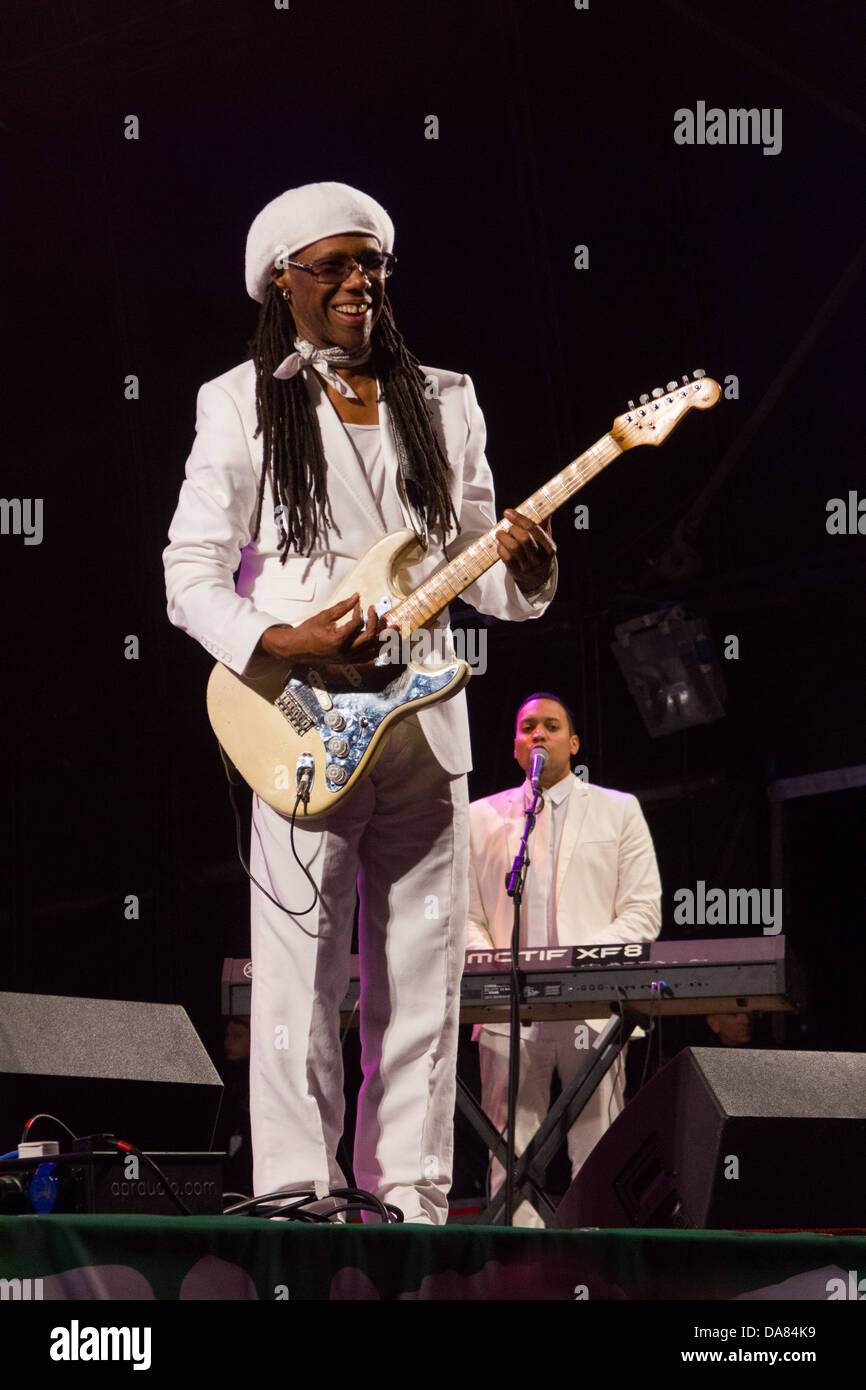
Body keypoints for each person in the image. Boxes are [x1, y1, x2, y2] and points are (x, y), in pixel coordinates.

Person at [163, 182, 557, 1223]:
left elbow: (484, 573)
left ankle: (413, 1199)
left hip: (425, 723)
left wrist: (525, 568)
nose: (356, 282)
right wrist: (278, 638)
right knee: (298, 971)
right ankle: (299, 1190)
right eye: (332, 265)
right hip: (298, 716)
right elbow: (189, 574)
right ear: (280, 281)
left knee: (424, 976)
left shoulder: (445, 399)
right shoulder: (239, 401)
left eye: (369, 263)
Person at [466, 692, 661, 1225]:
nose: (539, 734)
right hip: (508, 1011)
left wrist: (580, 969)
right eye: (528, 726)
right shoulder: (478, 817)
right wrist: (493, 976)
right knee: (509, 1150)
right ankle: (515, 1270)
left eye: (551, 726)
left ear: (572, 744)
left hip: (594, 1008)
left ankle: (593, 1263)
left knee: (598, 1147)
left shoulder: (619, 810)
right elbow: (462, 916)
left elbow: (642, 912)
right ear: (514, 745)